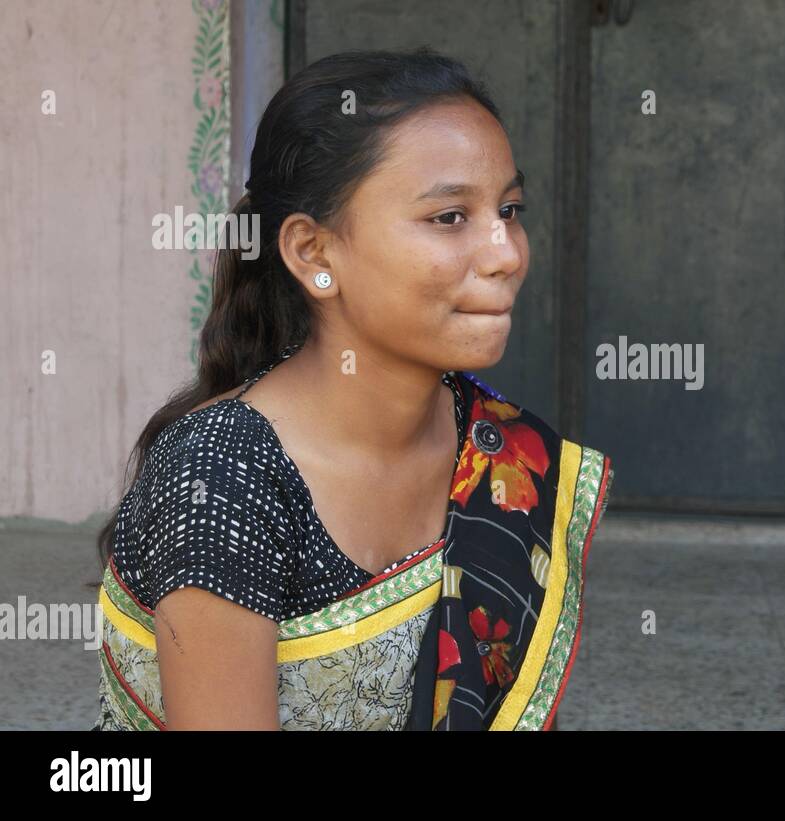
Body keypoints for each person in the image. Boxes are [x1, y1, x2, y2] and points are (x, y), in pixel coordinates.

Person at [92, 49, 612, 731]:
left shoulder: (501, 453)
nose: (507, 251)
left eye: (509, 209)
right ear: (314, 253)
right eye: (450, 216)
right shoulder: (221, 477)